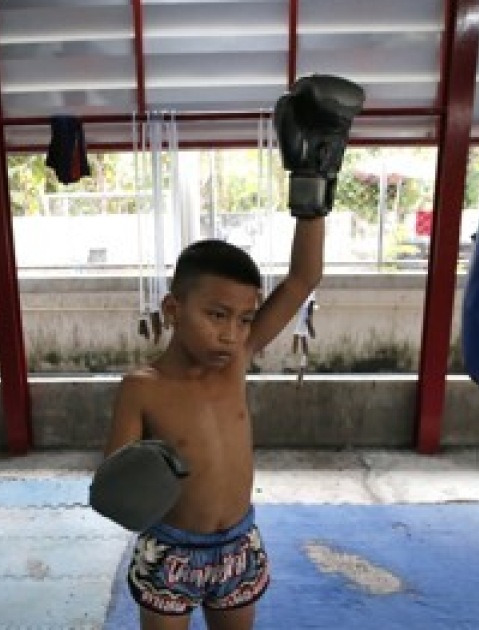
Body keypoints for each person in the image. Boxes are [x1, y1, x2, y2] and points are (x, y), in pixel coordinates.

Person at [100, 74, 364, 630]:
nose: (230, 333)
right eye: (216, 315)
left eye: (243, 319)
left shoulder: (240, 357)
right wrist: (141, 477)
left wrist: (311, 186)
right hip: (169, 549)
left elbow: (302, 278)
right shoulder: (141, 387)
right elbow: (116, 490)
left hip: (238, 542)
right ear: (173, 309)